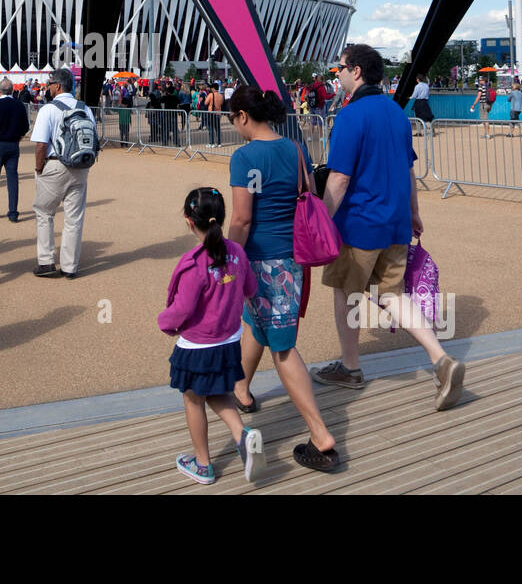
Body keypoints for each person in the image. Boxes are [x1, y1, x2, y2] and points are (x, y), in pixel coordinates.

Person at [312, 44, 466, 411]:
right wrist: (414, 212)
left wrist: (321, 220)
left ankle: (350, 367)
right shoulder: (397, 114)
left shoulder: (350, 116)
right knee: (392, 294)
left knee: (345, 291)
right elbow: (408, 169)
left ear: (357, 72)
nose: (338, 74)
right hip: (395, 220)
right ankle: (440, 358)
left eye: (341, 69)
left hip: (359, 222)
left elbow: (339, 179)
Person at [225, 84, 340, 473]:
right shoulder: (294, 148)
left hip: (260, 259)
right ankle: (240, 388)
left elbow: (241, 218)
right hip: (293, 257)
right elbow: (308, 195)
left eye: (233, 119)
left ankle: (320, 433)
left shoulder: (244, 157)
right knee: (257, 322)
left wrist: (226, 258)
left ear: (242, 117)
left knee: (283, 345)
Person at [159, 187, 264, 486]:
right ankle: (242, 435)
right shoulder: (237, 253)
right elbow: (251, 290)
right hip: (228, 342)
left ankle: (202, 464)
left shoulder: (193, 263)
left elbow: (182, 309)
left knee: (193, 399)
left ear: (189, 220)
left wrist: (164, 323)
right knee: (217, 391)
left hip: (196, 346)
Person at [31, 68, 96, 279]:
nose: (48, 87)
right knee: (74, 218)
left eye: (50, 84)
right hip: (80, 167)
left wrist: (39, 168)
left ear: (58, 86)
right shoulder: (85, 108)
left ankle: (46, 260)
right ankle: (70, 266)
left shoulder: (48, 109)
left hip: (54, 165)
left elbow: (41, 144)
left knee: (44, 212)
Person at [0, 78, 29, 222]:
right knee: (12, 179)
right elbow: (25, 127)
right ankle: (13, 212)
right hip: (13, 145)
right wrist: (18, 139)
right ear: (12, 89)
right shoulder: (19, 104)